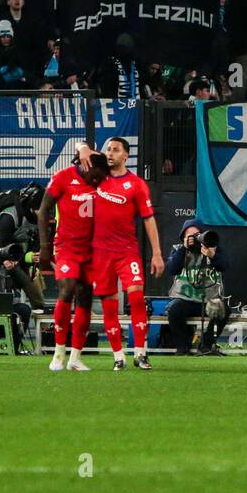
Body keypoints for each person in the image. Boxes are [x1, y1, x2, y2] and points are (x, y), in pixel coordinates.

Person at [91, 137, 164, 371]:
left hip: (127, 251)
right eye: (108, 150)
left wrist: (157, 253)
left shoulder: (136, 184)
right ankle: (118, 356)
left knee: (136, 297)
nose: (110, 153)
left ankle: (141, 354)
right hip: (101, 254)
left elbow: (148, 219)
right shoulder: (96, 180)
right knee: (109, 305)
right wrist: (84, 149)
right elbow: (79, 157)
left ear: (126, 156)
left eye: (115, 150)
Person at [37, 150, 110, 371]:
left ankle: (75, 357)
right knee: (67, 289)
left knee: (85, 297)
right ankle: (58, 354)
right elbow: (43, 211)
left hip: (92, 249)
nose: (98, 181)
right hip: (66, 247)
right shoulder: (63, 177)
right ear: (87, 166)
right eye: (96, 176)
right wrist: (44, 247)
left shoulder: (102, 183)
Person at [165, 220, 230, 356]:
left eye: (197, 235)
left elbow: (225, 266)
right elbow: (172, 269)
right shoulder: (178, 249)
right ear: (183, 237)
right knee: (173, 309)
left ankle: (206, 344)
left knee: (223, 309)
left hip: (209, 299)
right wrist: (184, 248)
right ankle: (183, 346)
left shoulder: (213, 248)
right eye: (190, 236)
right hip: (184, 298)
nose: (194, 239)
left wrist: (212, 255)